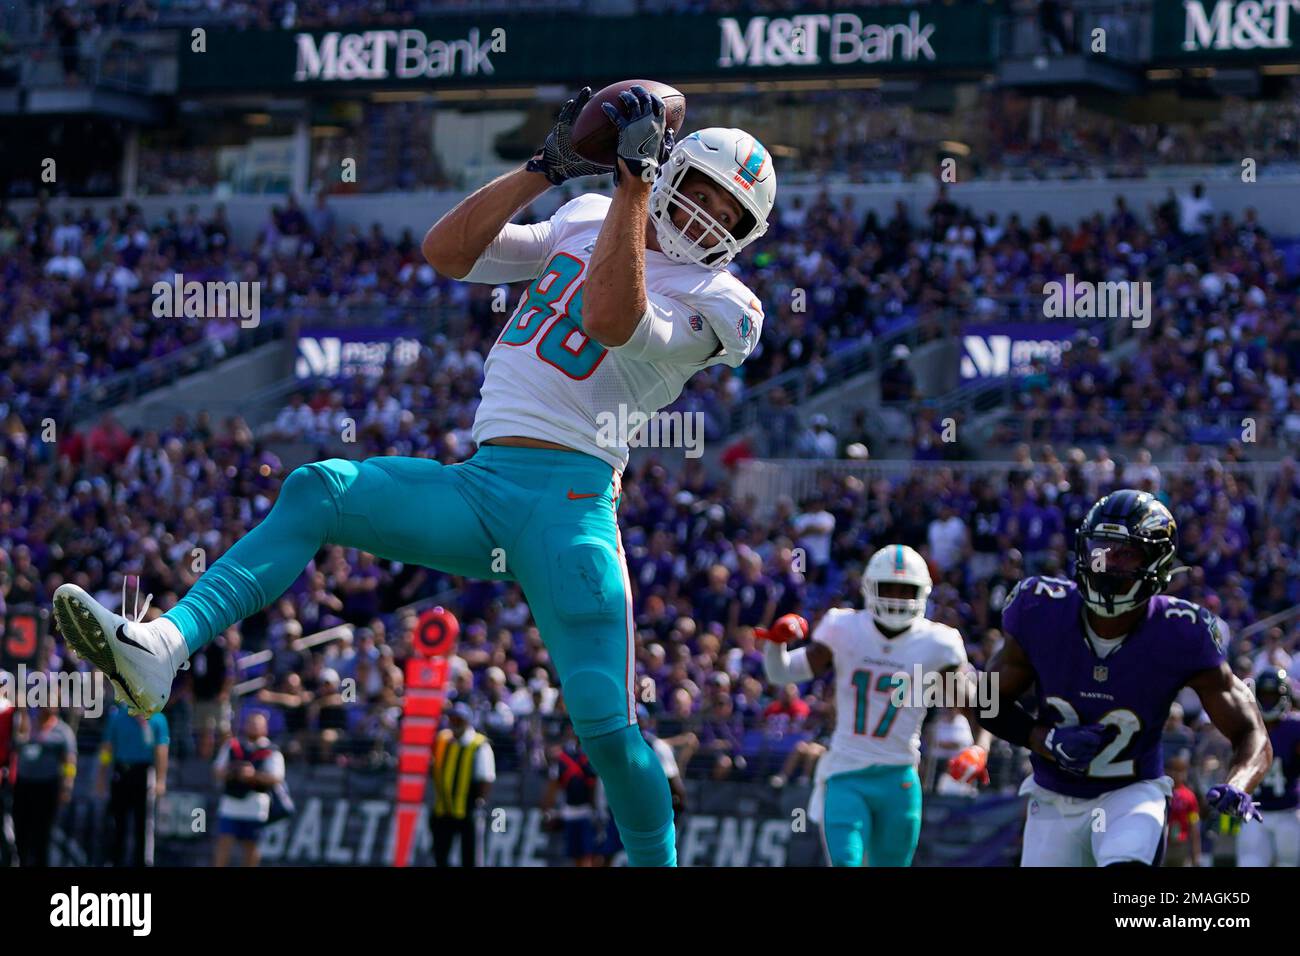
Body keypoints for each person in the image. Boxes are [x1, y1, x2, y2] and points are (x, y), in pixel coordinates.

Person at [53, 84, 776, 868]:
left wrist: (633, 186)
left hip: (570, 513)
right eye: (701, 191)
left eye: (729, 214)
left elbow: (610, 318)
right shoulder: (585, 215)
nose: (708, 216)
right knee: (318, 489)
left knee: (606, 728)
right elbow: (451, 253)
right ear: (674, 171)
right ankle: (164, 645)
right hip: (481, 485)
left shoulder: (726, 303)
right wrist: (545, 167)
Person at [973, 489, 1271, 866]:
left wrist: (1239, 784)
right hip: (1052, 797)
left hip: (1132, 793)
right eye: (1100, 550)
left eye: (1126, 554)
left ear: (1157, 563)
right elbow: (985, 700)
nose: (1107, 565)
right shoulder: (1040, 608)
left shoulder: (1182, 631)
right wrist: (1043, 739)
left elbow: (1250, 731)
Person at [760, 544, 989, 867]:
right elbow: (780, 673)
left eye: (906, 590)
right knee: (846, 862)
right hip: (845, 772)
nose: (897, 598)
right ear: (870, 588)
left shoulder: (938, 643)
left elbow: (980, 707)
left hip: (899, 777)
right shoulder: (844, 628)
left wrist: (980, 749)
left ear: (923, 593)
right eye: (889, 588)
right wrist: (776, 643)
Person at [1236, 669, 1300, 867]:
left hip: (1289, 811)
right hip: (1255, 810)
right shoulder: (1247, 727)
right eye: (1264, 695)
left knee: (1288, 863)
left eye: (1272, 695)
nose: (1268, 700)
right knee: (1250, 862)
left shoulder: (1294, 728)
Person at [97, 702, 169, 867]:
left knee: (143, 824)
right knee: (117, 822)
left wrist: (160, 780)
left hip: (143, 774)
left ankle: (143, 862)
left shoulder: (157, 719)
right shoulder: (117, 716)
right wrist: (101, 777)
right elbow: (107, 749)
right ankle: (115, 861)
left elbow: (161, 751)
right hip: (121, 773)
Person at [212, 712, 285, 867]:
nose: (253, 727)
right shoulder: (232, 745)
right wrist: (234, 772)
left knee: (251, 846)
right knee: (224, 843)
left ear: (265, 728)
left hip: (256, 806)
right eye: (251, 723)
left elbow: (276, 778)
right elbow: (218, 771)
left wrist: (253, 775)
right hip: (231, 804)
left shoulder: (271, 750)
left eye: (257, 725)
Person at [430, 703, 494, 867]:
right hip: (443, 809)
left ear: (467, 721)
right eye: (452, 719)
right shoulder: (443, 739)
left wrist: (480, 802)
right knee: (440, 856)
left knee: (470, 856)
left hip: (468, 809)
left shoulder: (479, 745)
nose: (455, 723)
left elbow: (486, 777)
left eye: (459, 720)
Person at [12, 706, 77, 867]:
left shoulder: (63, 731)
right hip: (24, 786)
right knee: (21, 833)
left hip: (47, 788)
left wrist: (67, 786)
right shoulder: (28, 725)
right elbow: (16, 744)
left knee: (43, 836)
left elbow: (69, 761)